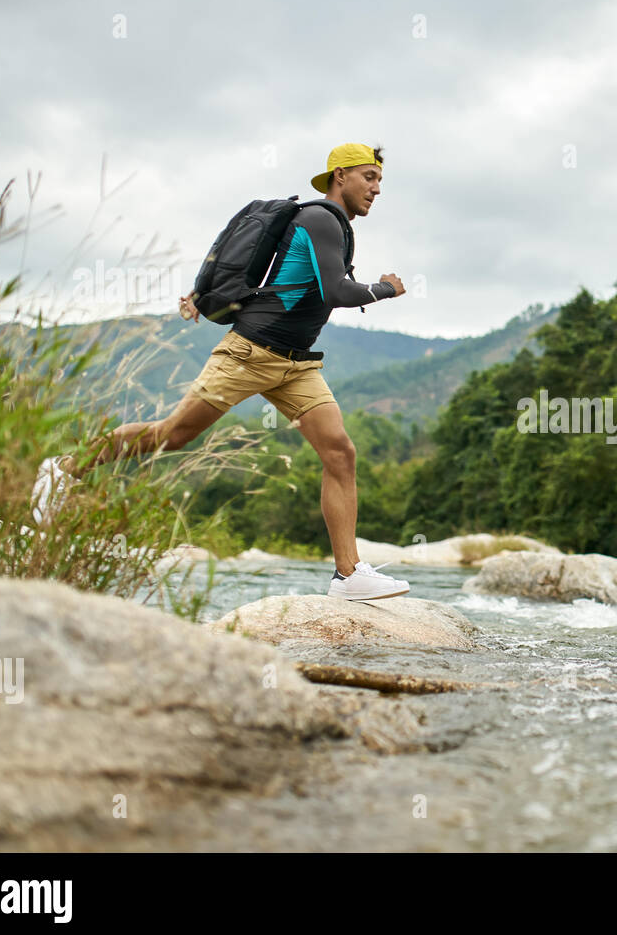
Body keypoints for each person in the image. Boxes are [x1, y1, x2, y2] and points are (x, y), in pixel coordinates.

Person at [32, 142, 411, 601]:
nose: (375, 188)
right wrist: (384, 289)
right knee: (172, 435)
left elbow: (305, 282)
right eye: (368, 177)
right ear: (340, 177)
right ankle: (64, 469)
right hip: (250, 352)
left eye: (380, 181)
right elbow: (335, 291)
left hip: (296, 364)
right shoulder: (320, 219)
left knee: (340, 453)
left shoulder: (333, 227)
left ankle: (348, 575)